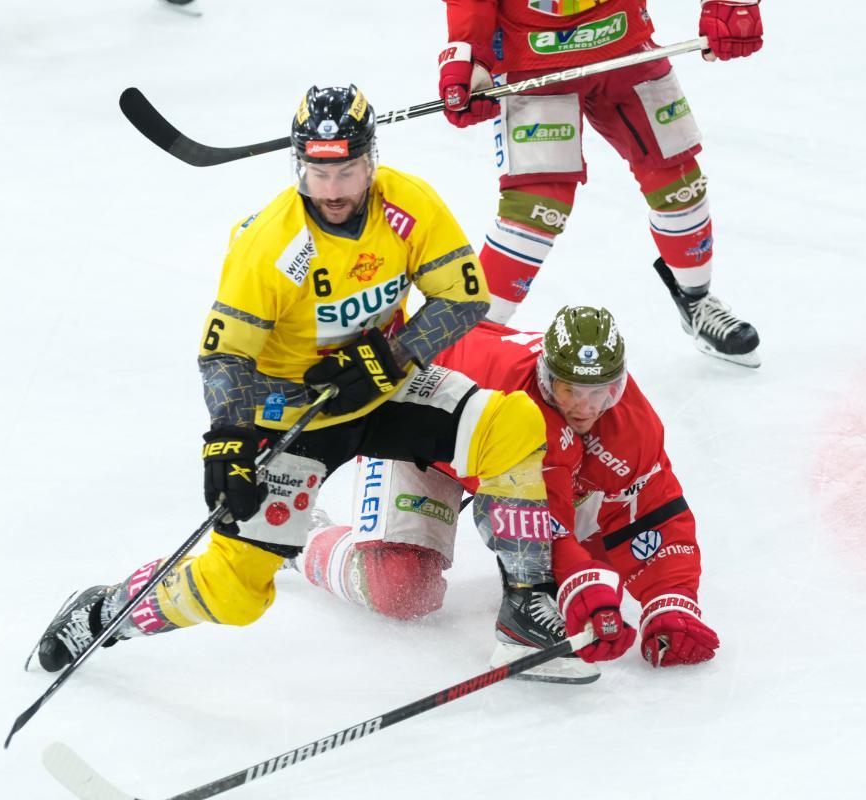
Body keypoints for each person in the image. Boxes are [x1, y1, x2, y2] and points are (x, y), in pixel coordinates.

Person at [30, 85, 559, 674]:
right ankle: (106, 613)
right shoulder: (270, 244)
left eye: (347, 171)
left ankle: (526, 606)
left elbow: (464, 299)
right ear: (299, 163)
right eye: (317, 172)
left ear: (370, 160)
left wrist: (392, 355)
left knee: (511, 423)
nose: (332, 191)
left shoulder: (408, 207)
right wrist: (228, 441)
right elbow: (224, 356)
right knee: (233, 592)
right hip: (294, 412)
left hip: (384, 392)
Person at [301, 305, 720, 674]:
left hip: (505, 462)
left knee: (591, 561)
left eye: (601, 392)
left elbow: (651, 513)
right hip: (418, 438)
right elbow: (524, 519)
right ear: (545, 374)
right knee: (397, 587)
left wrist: (670, 601)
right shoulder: (515, 396)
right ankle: (306, 539)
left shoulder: (631, 423)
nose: (585, 407)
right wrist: (576, 581)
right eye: (570, 389)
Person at [436, 0, 765, 367]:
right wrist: (469, 54)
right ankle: (471, 341)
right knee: (535, 208)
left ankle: (697, 300)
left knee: (678, 182)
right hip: (532, 57)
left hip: (625, 42)